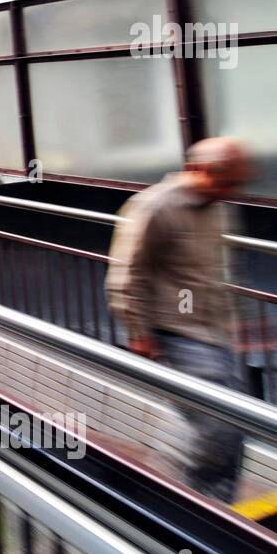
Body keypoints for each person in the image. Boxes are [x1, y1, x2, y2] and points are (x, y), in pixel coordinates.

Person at [106, 137, 253, 502]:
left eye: (234, 183)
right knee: (222, 420)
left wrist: (234, 319)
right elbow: (128, 272)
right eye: (223, 181)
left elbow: (214, 270)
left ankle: (172, 487)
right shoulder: (155, 206)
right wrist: (138, 333)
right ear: (195, 170)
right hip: (175, 330)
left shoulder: (217, 206)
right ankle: (203, 505)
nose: (229, 191)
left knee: (212, 421)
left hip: (211, 331)